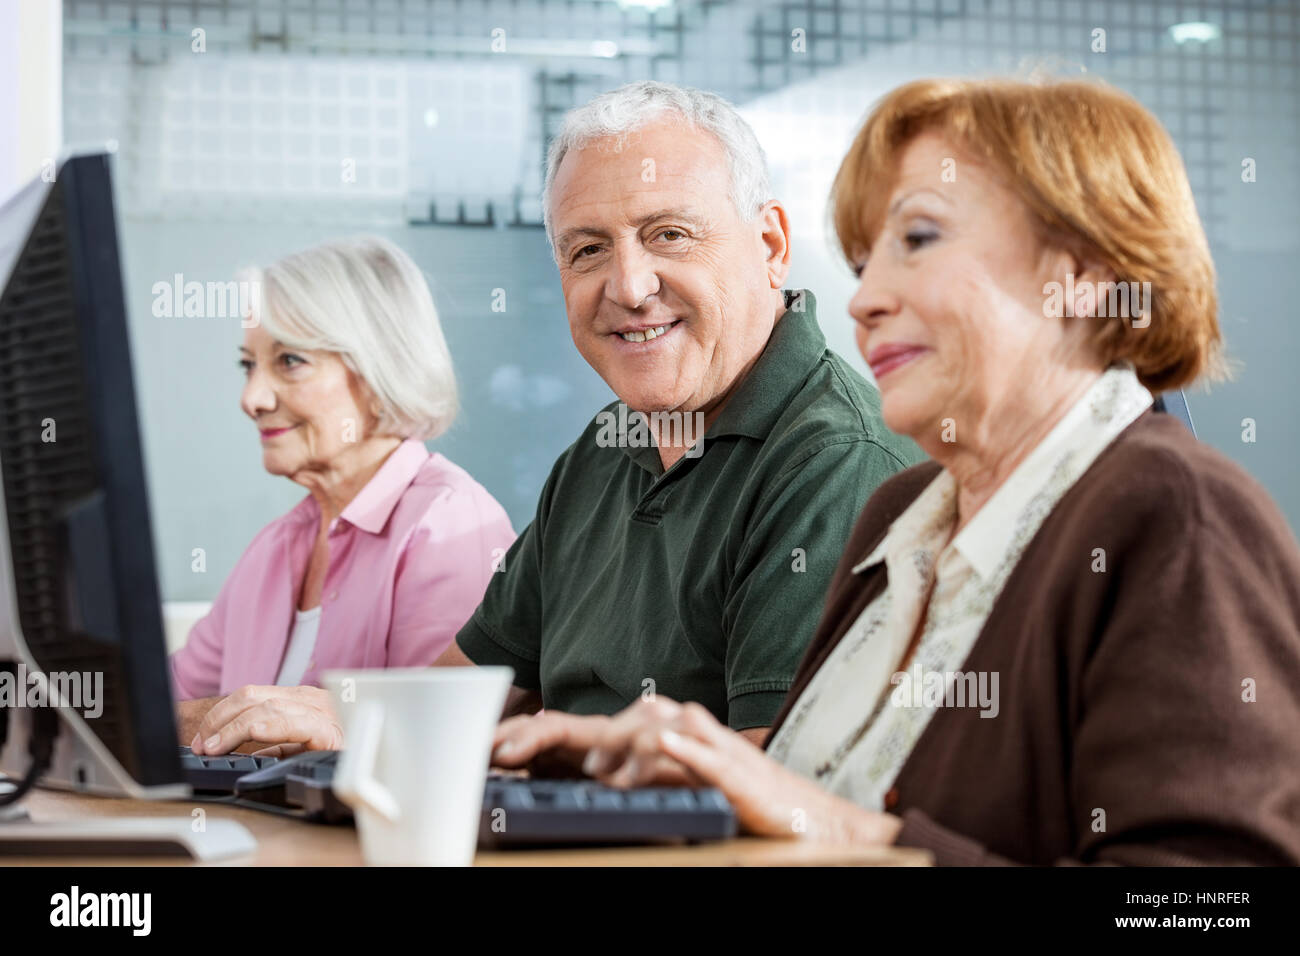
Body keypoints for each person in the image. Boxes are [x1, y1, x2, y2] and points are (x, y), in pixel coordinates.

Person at [490, 77, 1300, 866]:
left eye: (917, 240)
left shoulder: (1175, 515)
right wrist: (671, 773)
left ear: (1082, 278)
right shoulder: (904, 514)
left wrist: (859, 841)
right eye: (863, 257)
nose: (864, 298)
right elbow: (802, 800)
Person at [187, 81, 923, 757]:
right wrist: (313, 717)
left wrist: (518, 761)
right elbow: (466, 695)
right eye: (588, 249)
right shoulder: (603, 451)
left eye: (669, 234)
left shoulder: (833, 459)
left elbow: (774, 789)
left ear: (770, 247)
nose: (629, 286)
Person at [174, 236, 515, 749]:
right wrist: (217, 717)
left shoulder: (449, 524)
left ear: (381, 369)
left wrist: (213, 721)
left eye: (289, 361)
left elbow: (441, 743)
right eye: (249, 365)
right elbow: (152, 709)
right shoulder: (274, 548)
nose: (252, 398)